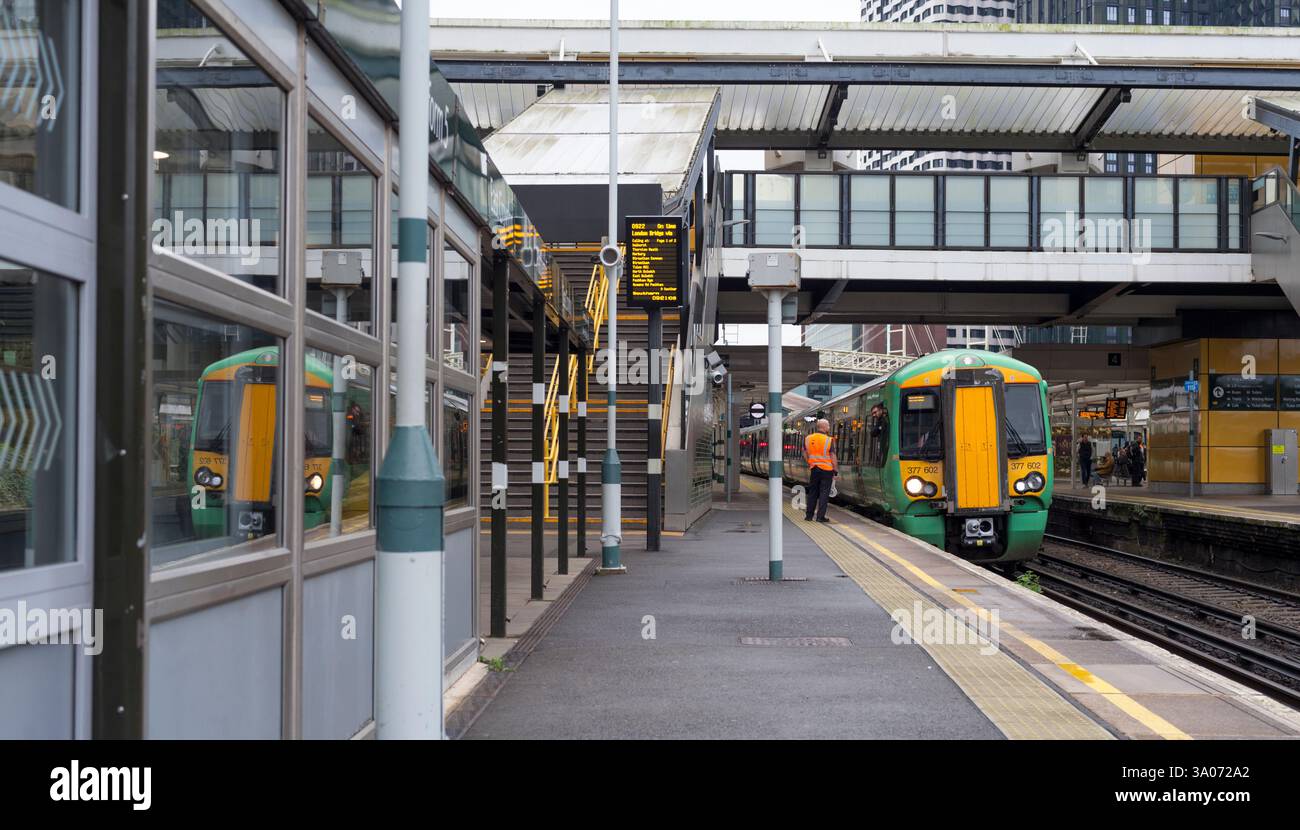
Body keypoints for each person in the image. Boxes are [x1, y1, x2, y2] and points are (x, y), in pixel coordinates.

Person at [804, 418, 838, 523]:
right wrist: (835, 470)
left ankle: (809, 516)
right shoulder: (829, 440)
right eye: (828, 425)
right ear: (823, 427)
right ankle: (820, 517)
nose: (829, 427)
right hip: (827, 470)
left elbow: (804, 453)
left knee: (813, 492)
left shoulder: (808, 438)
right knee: (824, 493)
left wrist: (810, 463)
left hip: (814, 468)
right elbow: (832, 455)